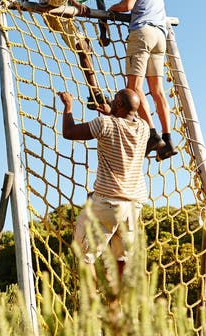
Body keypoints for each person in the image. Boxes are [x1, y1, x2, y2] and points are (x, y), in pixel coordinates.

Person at [57, 88, 149, 284]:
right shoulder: (144, 128)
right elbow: (122, 123)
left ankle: (94, 302)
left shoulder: (104, 124)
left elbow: (69, 132)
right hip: (134, 206)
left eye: (115, 100)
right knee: (120, 259)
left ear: (120, 105)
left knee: (85, 255)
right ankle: (115, 306)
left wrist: (68, 106)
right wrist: (111, 112)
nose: (112, 102)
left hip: (107, 202)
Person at [14, 0, 112, 108]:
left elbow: (102, 10)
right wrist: (75, 3)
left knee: (85, 49)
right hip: (53, 2)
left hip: (64, 18)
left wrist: (103, 34)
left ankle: (95, 94)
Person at [107, 0, 177, 161]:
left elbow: (127, 5)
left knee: (134, 87)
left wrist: (113, 7)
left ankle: (153, 136)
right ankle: (168, 139)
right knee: (157, 90)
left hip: (142, 33)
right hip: (160, 37)